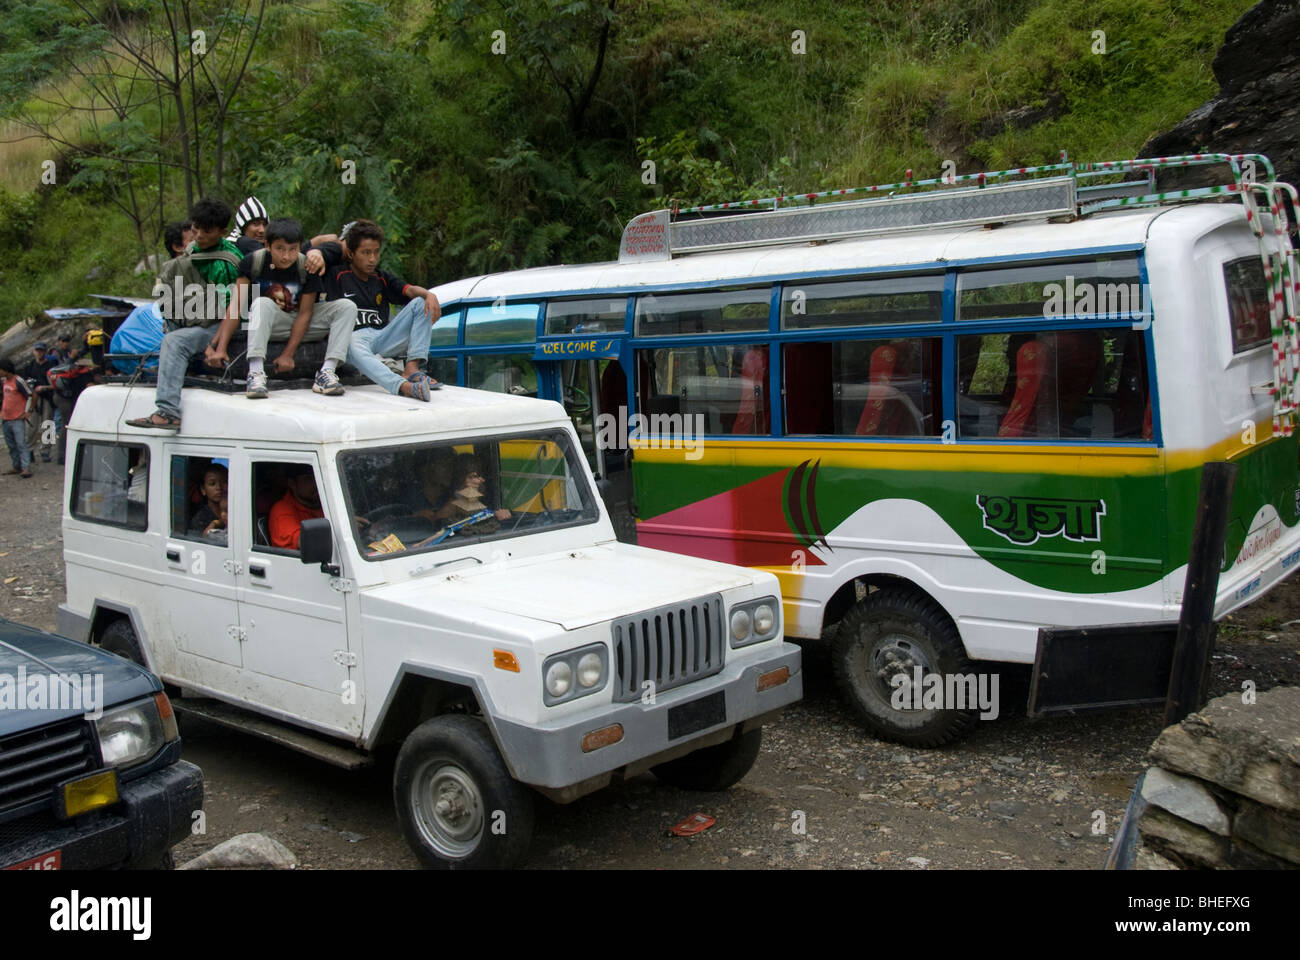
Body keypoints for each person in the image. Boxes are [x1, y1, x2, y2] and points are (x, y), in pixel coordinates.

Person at [206, 217, 356, 398]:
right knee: (262, 303)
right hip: (269, 323)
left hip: (302, 324)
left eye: (292, 249)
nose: (286, 256)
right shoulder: (252, 262)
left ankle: (327, 372)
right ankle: (255, 372)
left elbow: (305, 313)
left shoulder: (306, 266)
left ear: (300, 247)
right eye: (280, 249)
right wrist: (220, 347)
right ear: (268, 246)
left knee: (346, 307)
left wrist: (288, 354)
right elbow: (236, 306)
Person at [125, 197, 242, 430]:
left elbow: (233, 309)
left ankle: (168, 411)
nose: (199, 235)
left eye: (207, 231)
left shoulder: (227, 263)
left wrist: (216, 346)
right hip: (193, 318)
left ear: (222, 232)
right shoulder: (192, 252)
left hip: (218, 325)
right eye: (196, 229)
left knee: (174, 342)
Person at [305, 219, 443, 401]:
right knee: (351, 343)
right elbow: (307, 253)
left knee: (420, 302)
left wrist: (429, 295)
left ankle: (412, 368)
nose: (372, 259)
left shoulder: (382, 278)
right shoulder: (335, 274)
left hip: (382, 337)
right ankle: (402, 386)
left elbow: (408, 290)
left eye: (376, 252)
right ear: (351, 253)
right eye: (365, 253)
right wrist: (317, 245)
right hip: (351, 341)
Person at [269, 465, 324, 550]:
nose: (315, 482)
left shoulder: (323, 504)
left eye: (317, 477)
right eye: (308, 478)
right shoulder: (281, 510)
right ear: (292, 483)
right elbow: (305, 541)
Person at [21, 342, 57, 463]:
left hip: (48, 397)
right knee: (30, 426)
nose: (39, 353)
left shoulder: (52, 365)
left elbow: (56, 384)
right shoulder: (29, 366)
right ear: (34, 352)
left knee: (48, 425)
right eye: (37, 350)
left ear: (45, 352)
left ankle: (46, 451)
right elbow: (25, 382)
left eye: (41, 350)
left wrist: (44, 387)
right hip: (33, 398)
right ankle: (29, 450)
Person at [0, 356, 34, 477]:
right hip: (5, 417)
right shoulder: (4, 382)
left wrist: (28, 411)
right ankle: (16, 466)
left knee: (20, 443)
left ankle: (26, 467)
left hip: (17, 418)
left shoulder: (18, 381)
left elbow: (31, 394)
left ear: (5, 369)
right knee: (11, 445)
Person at [188, 463, 229, 543]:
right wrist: (216, 523)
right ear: (203, 489)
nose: (219, 487)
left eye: (224, 482)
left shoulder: (235, 511)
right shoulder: (200, 519)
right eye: (212, 483)